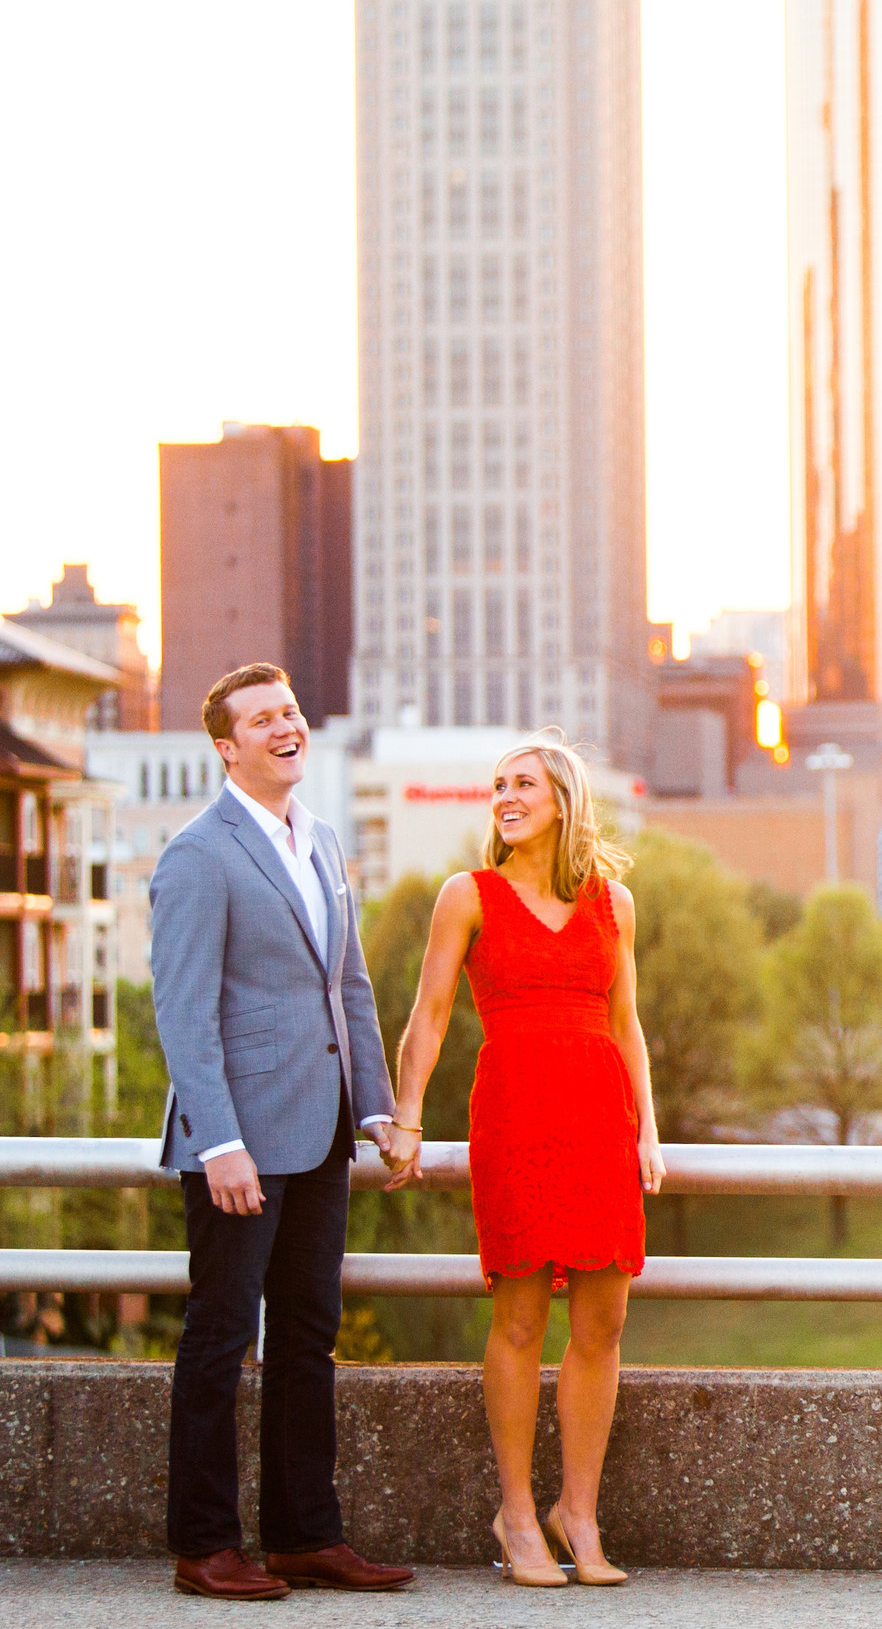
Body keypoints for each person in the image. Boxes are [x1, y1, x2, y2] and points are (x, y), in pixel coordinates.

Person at [152, 663, 416, 1599]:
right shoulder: (199, 853)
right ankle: (204, 1546)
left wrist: (377, 1109)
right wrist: (219, 1141)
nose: (284, 727)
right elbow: (184, 1011)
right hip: (238, 1145)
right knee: (221, 1338)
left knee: (308, 1336)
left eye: (291, 713)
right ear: (227, 747)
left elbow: (347, 986)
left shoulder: (323, 841)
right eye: (261, 720)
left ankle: (306, 1535)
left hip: (324, 1130)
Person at [382, 738, 665, 1587]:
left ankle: (577, 1510)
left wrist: (647, 1129)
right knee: (516, 1319)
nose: (505, 796)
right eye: (499, 785)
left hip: (599, 1122)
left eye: (523, 785)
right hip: (514, 1118)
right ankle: (515, 1511)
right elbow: (428, 1017)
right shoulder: (467, 896)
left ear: (562, 800)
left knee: (602, 1324)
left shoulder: (614, 903)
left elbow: (627, 1025)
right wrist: (406, 1116)